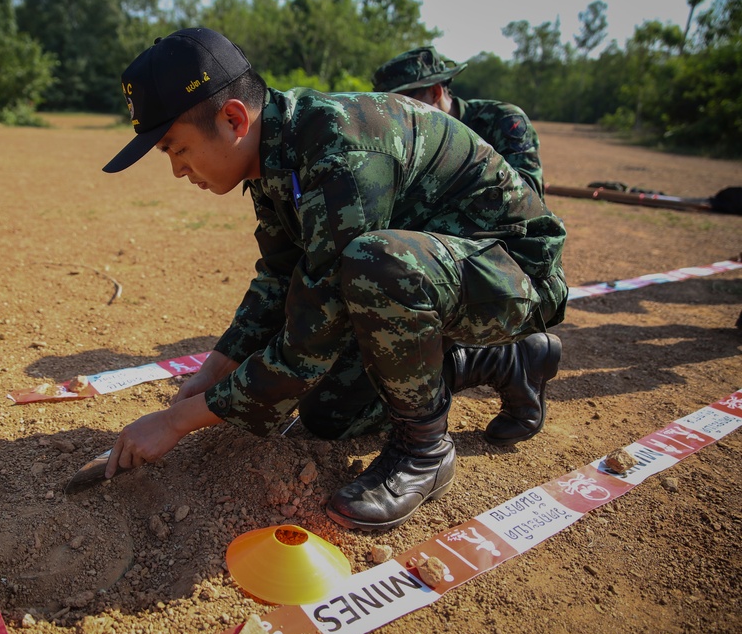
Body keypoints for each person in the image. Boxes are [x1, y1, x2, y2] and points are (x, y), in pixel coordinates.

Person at [100, 28, 567, 531]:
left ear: (233, 118)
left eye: (176, 148)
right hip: (442, 276)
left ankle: (426, 450)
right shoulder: (274, 149)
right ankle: (504, 360)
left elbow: (313, 339)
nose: (177, 170)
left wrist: (176, 422)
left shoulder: (339, 148)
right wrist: (212, 373)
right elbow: (280, 277)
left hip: (514, 273)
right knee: (328, 414)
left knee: (373, 262)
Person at [373, 47, 544, 198]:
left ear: (434, 92)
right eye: (388, 106)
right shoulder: (404, 138)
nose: (396, 114)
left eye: (402, 102)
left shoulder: (501, 120)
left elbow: (528, 195)